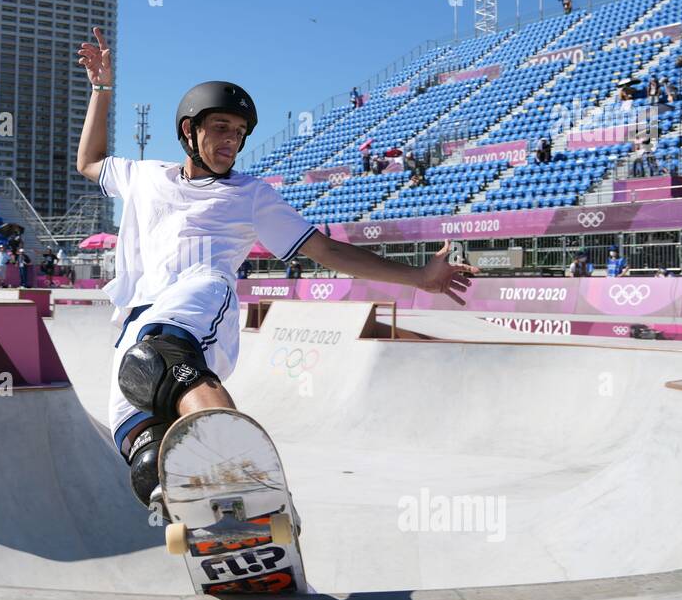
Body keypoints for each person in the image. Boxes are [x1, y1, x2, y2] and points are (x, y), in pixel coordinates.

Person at [74, 27, 475, 513]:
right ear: (189, 130)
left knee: (161, 351)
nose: (232, 141)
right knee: (142, 453)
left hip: (201, 299)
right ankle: (215, 521)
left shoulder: (252, 195)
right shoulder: (145, 176)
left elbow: (326, 251)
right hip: (138, 321)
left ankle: (245, 480)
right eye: (221, 127)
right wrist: (102, 89)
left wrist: (418, 277)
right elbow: (90, 161)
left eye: (239, 134)